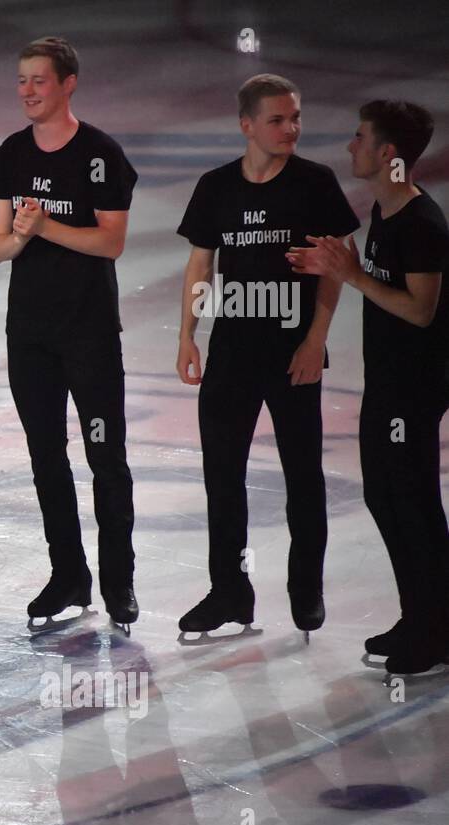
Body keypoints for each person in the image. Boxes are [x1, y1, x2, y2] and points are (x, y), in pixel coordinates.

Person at [176, 74, 359, 635]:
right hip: (231, 351)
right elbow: (201, 263)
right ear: (247, 125)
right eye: (278, 119)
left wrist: (315, 340)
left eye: (296, 118)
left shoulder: (315, 184)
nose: (291, 129)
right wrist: (187, 334)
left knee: (303, 477)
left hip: (293, 354)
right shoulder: (216, 187)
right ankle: (230, 591)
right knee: (222, 477)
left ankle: (306, 590)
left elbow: (338, 267)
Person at [0, 36, 139, 631]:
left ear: (68, 83)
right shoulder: (10, 155)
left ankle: (118, 581)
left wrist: (46, 225)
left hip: (90, 332)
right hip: (31, 335)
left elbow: (112, 242)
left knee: (106, 459)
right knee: (47, 456)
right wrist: (25, 235)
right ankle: (68, 576)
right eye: (21, 80)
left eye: (38, 80)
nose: (27, 91)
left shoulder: (100, 154)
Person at [286, 100, 448, 674]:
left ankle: (435, 631)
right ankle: (422, 616)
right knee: (386, 498)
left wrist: (351, 276)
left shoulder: (422, 224)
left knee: (413, 505)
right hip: (386, 384)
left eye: (360, 138)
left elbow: (422, 311)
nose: (351, 146)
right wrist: (338, 268)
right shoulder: (385, 213)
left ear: (388, 154)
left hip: (414, 389)